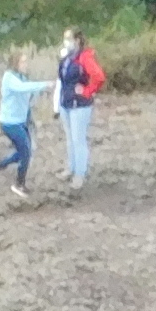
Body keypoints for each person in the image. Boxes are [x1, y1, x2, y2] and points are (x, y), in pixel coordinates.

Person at [0, 43, 47, 200]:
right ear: (15, 63)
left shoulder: (21, 77)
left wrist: (30, 119)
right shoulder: (10, 78)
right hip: (10, 123)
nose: (25, 64)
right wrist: (46, 85)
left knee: (24, 151)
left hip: (21, 121)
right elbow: (23, 88)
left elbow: (26, 99)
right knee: (26, 152)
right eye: (22, 62)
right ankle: (18, 184)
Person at [55, 29, 104, 193]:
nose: (66, 41)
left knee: (78, 140)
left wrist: (87, 91)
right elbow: (61, 80)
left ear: (77, 40)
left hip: (80, 105)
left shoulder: (85, 57)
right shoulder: (67, 57)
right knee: (70, 138)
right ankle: (71, 167)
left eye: (69, 38)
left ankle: (79, 174)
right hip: (66, 102)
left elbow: (99, 76)